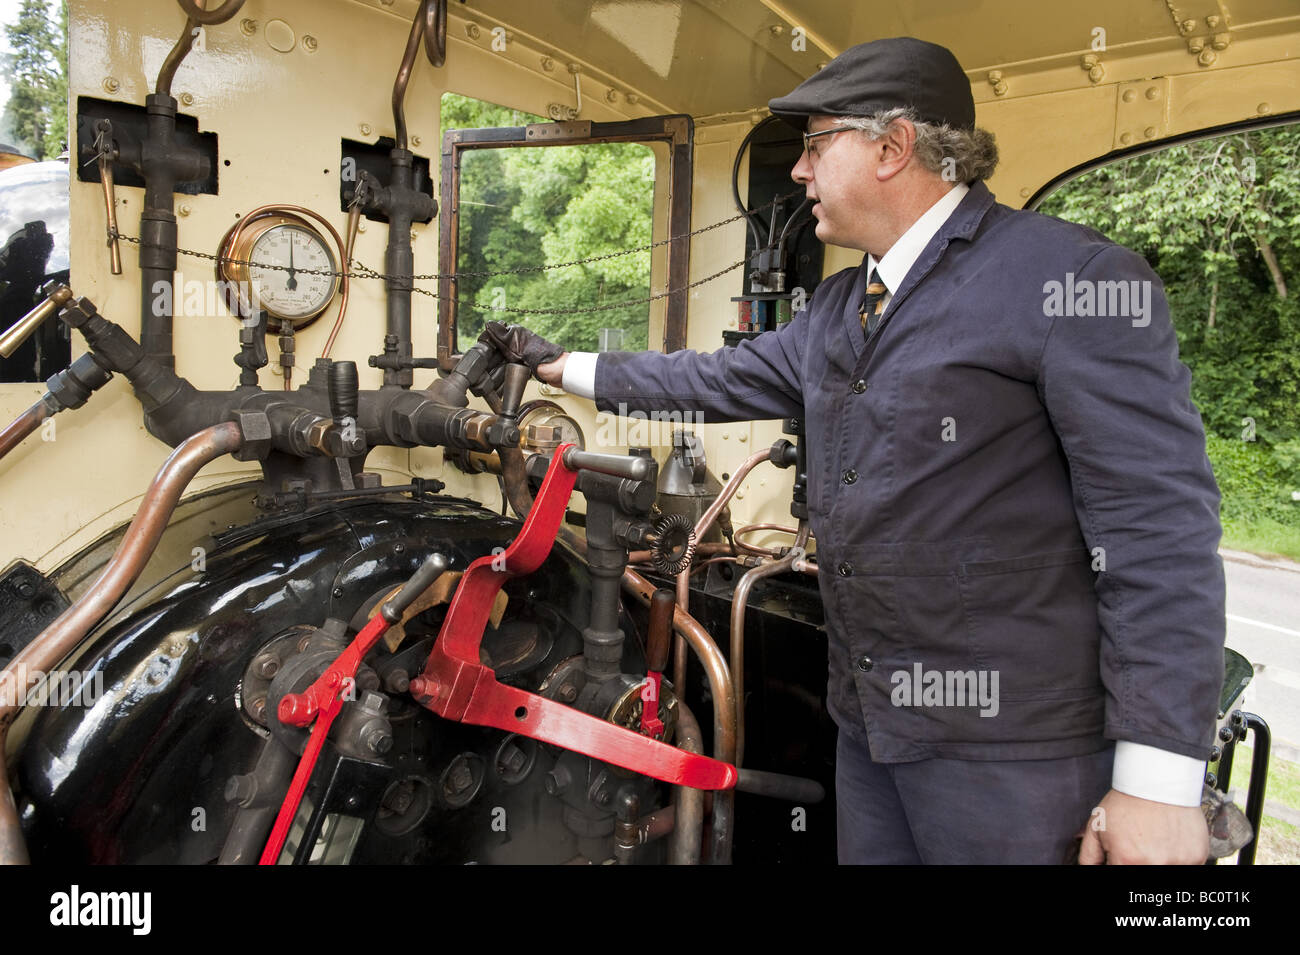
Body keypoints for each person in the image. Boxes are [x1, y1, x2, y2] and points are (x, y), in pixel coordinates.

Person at [481, 37, 1224, 865]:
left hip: (1016, 758)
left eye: (813, 144)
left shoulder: (1070, 279)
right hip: (870, 727)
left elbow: (1157, 528)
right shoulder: (843, 303)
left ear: (891, 145)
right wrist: (560, 365)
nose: (798, 173)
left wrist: (1159, 783)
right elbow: (716, 378)